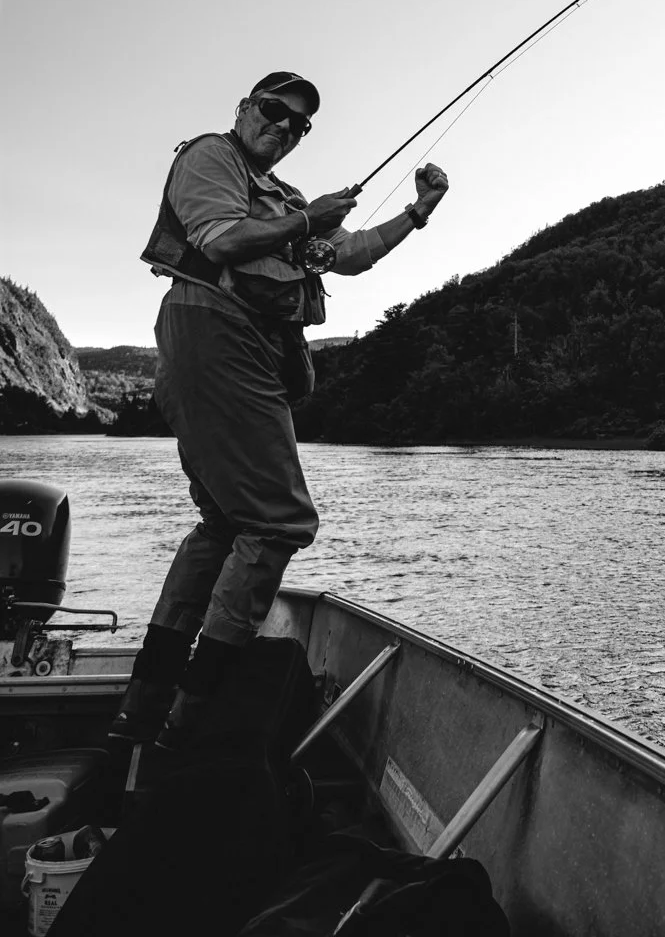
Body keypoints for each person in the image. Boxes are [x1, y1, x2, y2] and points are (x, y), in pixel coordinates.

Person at [109, 71, 449, 749]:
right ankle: (191, 719)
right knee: (279, 522)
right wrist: (307, 220)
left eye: (300, 124)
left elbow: (350, 256)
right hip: (214, 331)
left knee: (225, 523)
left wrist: (418, 211)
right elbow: (218, 241)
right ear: (244, 108)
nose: (285, 127)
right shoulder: (211, 154)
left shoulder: (287, 198)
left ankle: (146, 709)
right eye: (274, 110)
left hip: (243, 348)